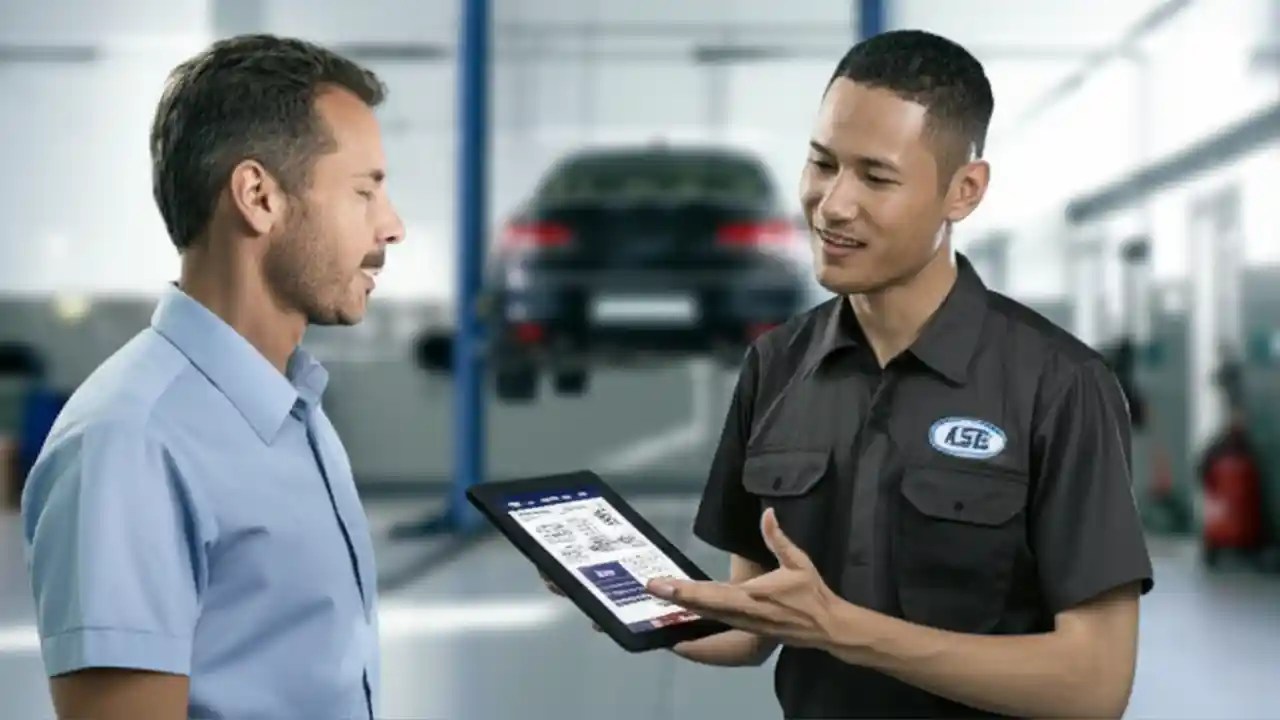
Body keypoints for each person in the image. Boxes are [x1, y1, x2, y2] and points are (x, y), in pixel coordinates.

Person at [644, 30, 1154, 718]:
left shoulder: (1061, 385)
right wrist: (644, 605)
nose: (832, 205)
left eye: (875, 177)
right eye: (822, 164)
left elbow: (1093, 685)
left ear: (963, 192)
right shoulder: (776, 365)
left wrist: (849, 632)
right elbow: (752, 626)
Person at [21, 34, 405, 720]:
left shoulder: (298, 413)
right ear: (258, 197)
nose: (392, 226)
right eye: (364, 192)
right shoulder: (128, 443)